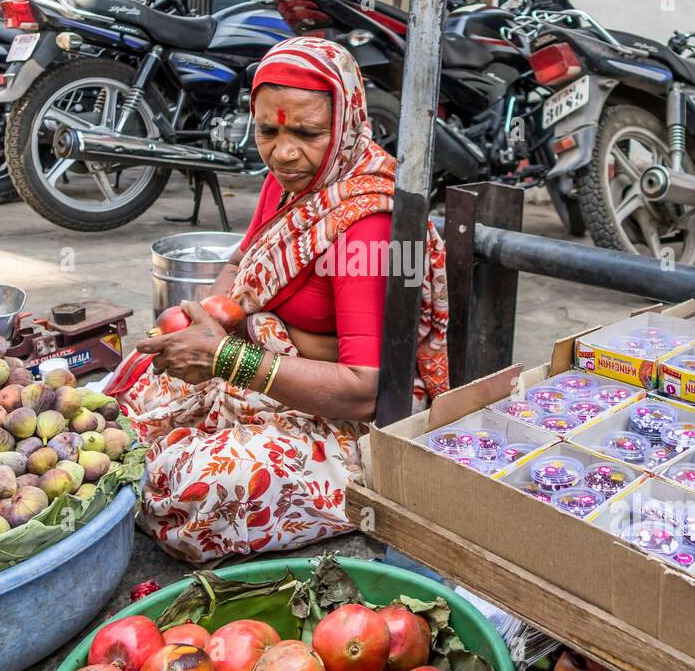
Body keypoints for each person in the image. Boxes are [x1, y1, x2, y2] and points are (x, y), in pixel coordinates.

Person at [107, 36, 449, 562]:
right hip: (275, 370)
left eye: (308, 133)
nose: (284, 152)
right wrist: (209, 321)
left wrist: (227, 357)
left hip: (349, 425)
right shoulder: (291, 182)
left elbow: (365, 392)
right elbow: (240, 264)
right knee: (121, 412)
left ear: (346, 124)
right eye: (268, 131)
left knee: (191, 488)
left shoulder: (366, 225)